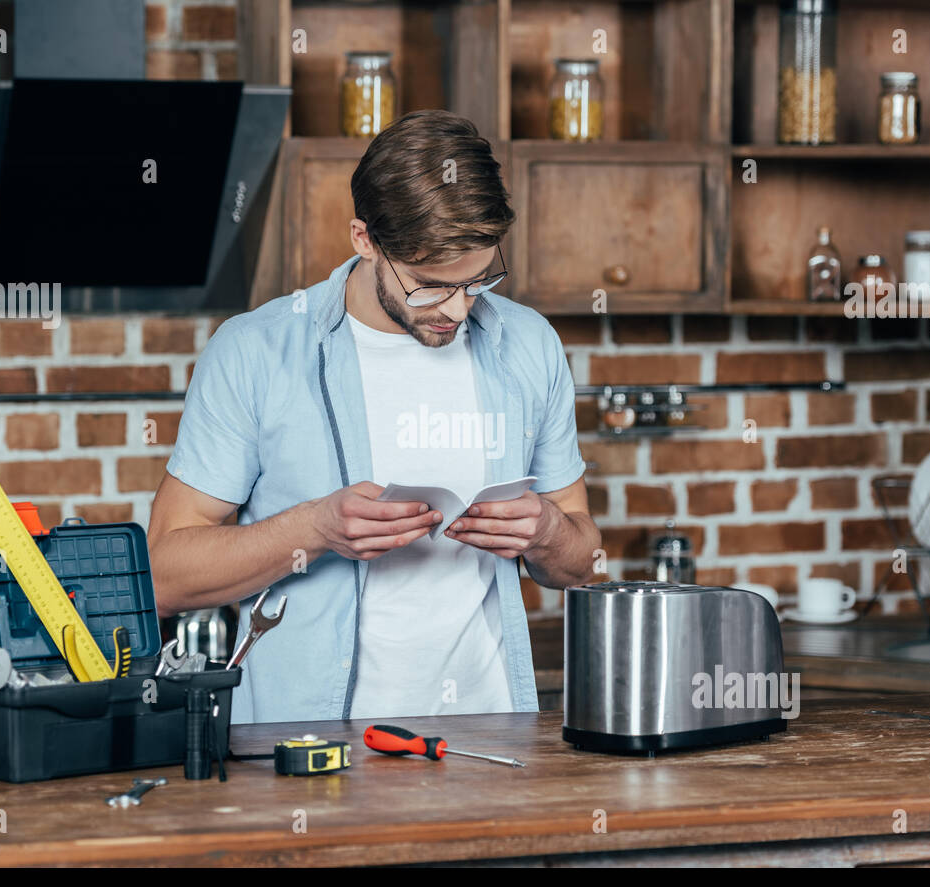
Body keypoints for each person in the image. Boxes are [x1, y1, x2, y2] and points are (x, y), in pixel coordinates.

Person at [147, 109, 600, 723]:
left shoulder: (528, 344)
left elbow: (585, 565)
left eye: (478, 282)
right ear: (364, 240)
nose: (459, 310)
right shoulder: (256, 351)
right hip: (306, 754)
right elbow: (164, 575)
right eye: (430, 284)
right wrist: (314, 529)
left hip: (492, 743)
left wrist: (548, 534)